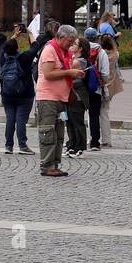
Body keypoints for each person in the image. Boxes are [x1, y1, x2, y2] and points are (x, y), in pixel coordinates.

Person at [36, 25, 84, 178]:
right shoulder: (50, 50)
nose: (71, 45)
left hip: (61, 99)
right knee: (48, 131)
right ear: (61, 37)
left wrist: (75, 71)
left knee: (59, 134)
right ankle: (47, 165)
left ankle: (54, 164)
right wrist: (70, 72)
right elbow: (49, 74)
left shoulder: (65, 52)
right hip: (48, 98)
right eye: (69, 41)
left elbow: (68, 69)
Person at [0, 24, 36, 155]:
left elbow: (4, 47)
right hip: (24, 94)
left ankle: (8, 146)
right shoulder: (23, 58)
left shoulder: (3, 58)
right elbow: (35, 48)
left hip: (7, 94)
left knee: (10, 119)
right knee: (21, 119)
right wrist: (30, 33)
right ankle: (22, 146)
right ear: (18, 48)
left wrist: (15, 36)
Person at [82, 28, 110, 151]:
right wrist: (102, 81)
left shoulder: (81, 49)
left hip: (81, 87)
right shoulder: (101, 52)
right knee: (94, 115)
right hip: (96, 88)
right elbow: (105, 73)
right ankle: (94, 142)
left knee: (79, 115)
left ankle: (80, 141)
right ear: (96, 37)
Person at [65, 38, 90, 157]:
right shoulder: (73, 59)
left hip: (78, 96)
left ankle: (80, 147)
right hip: (70, 95)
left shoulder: (79, 61)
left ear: (80, 48)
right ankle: (72, 145)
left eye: (74, 44)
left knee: (77, 121)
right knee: (69, 120)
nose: (71, 45)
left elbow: (72, 75)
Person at [98, 32, 123, 148]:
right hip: (111, 85)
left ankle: (96, 137)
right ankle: (107, 139)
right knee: (105, 112)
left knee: (96, 113)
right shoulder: (115, 54)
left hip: (101, 85)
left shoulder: (100, 55)